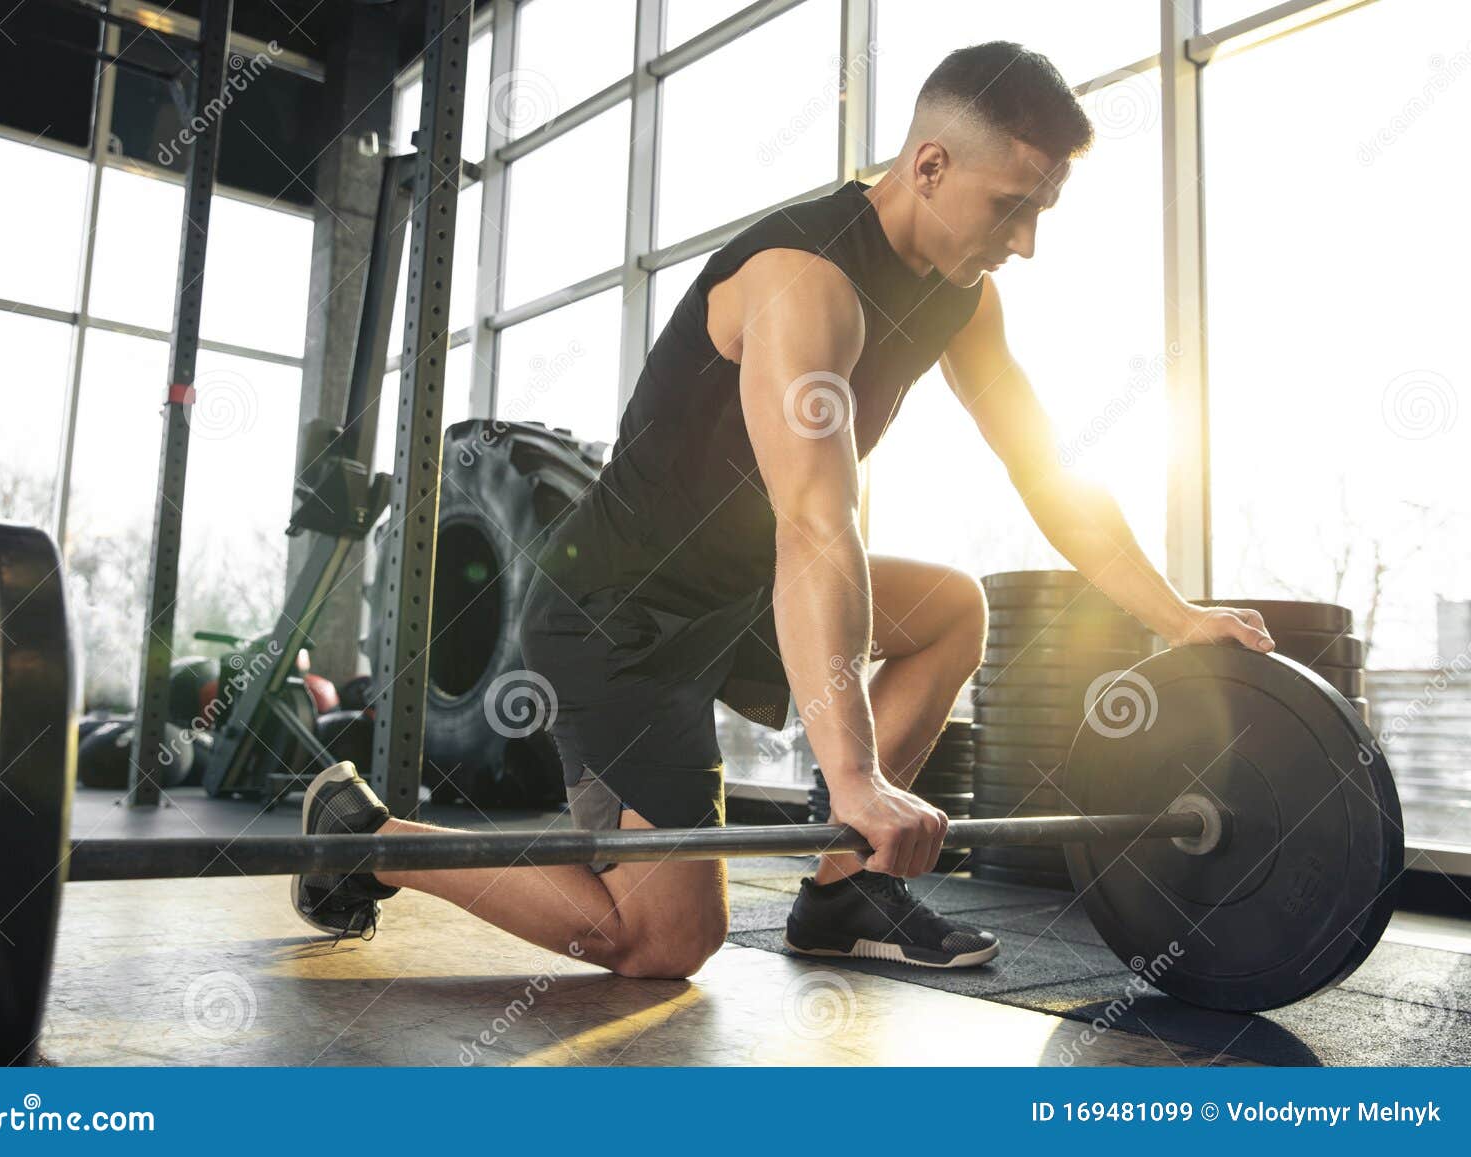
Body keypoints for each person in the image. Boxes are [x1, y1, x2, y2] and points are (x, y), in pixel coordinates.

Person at [292, 42, 1275, 977]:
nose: (1024, 241)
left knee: (948, 609)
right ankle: (371, 839)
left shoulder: (961, 294)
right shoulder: (804, 282)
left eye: (1040, 211)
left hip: (731, 596)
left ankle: (844, 896)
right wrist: (852, 774)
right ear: (930, 165)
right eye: (1011, 207)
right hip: (616, 616)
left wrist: (1175, 617)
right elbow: (813, 525)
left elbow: (1045, 466)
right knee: (662, 945)